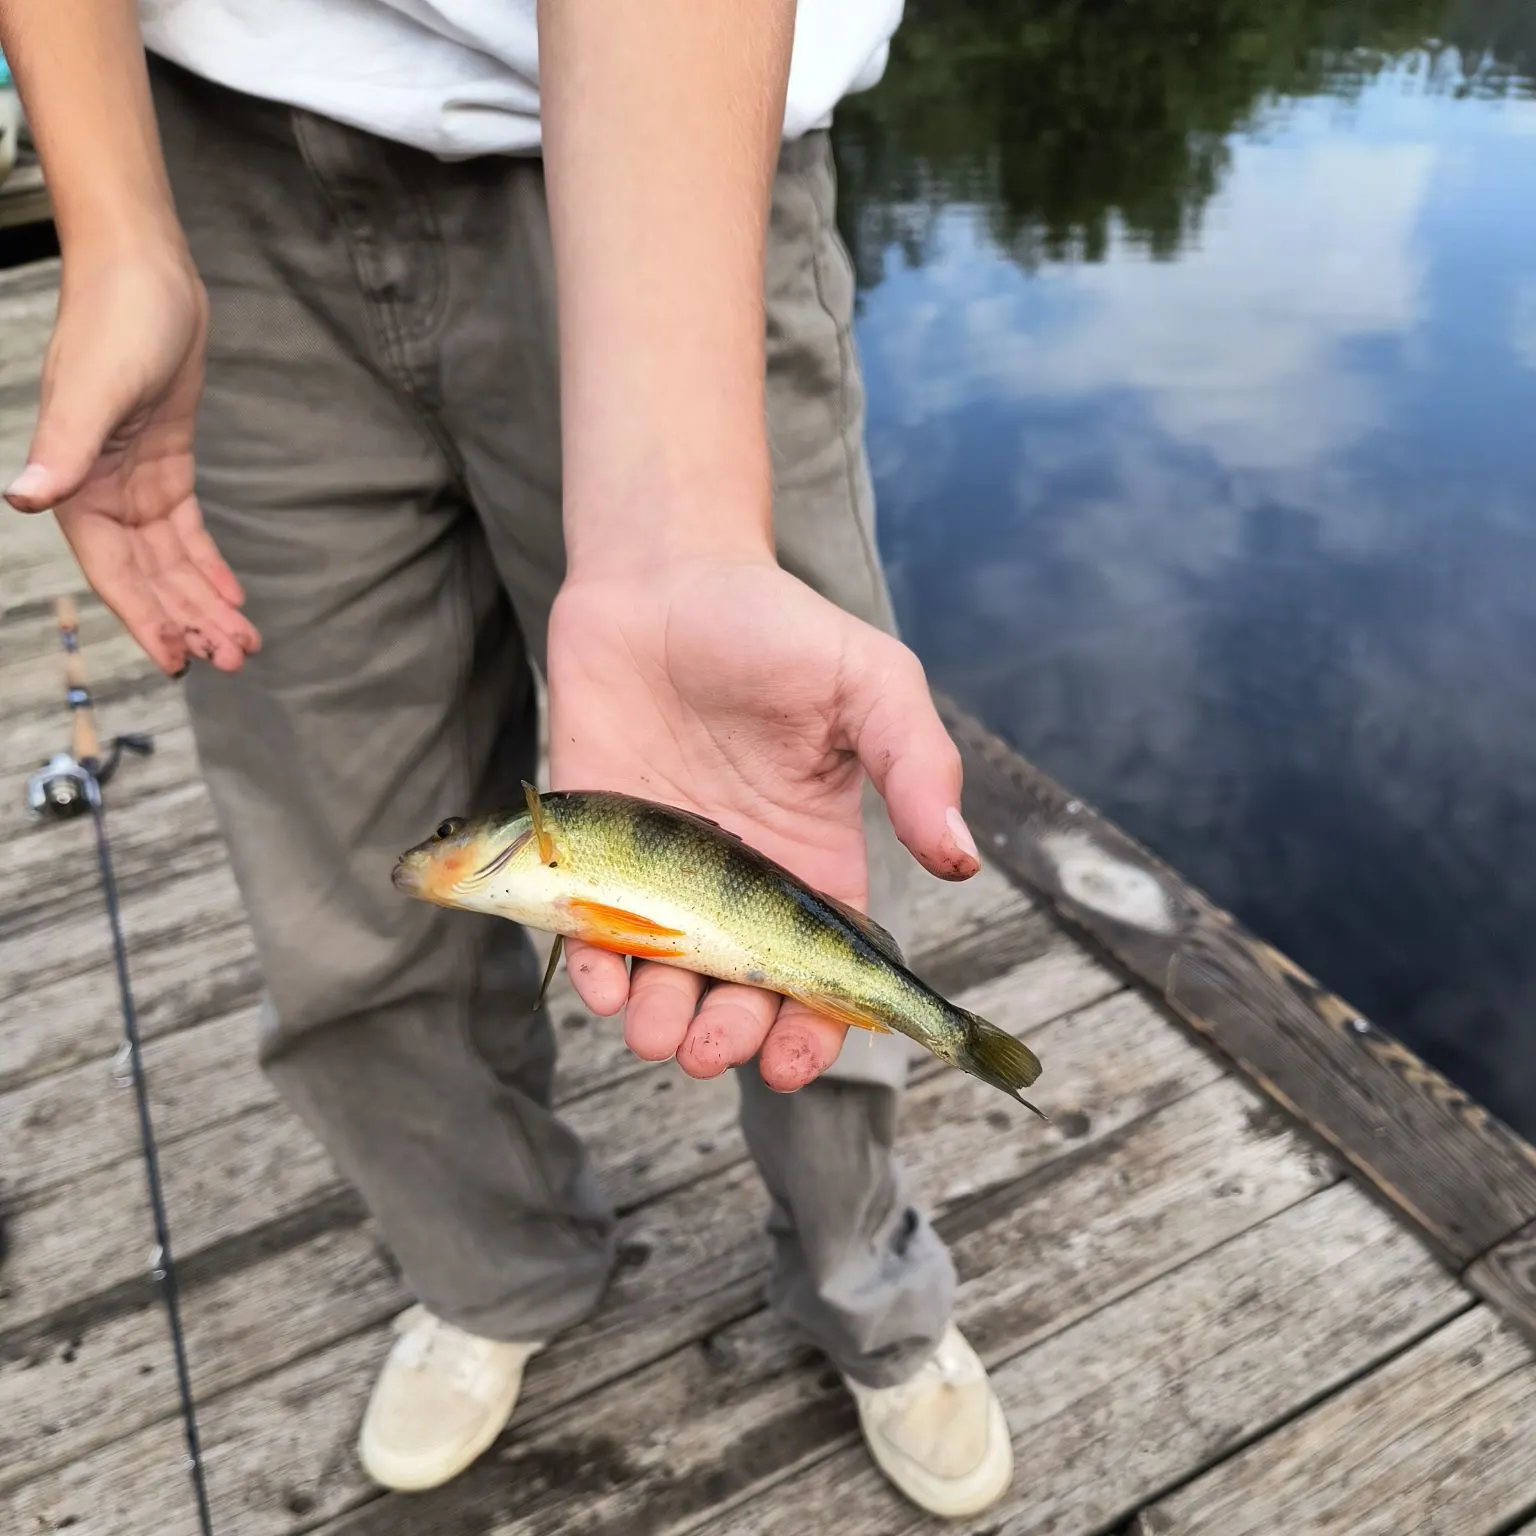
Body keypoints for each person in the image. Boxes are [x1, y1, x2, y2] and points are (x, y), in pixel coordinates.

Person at [0, 0, 1014, 1518]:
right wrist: (116, 217)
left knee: (792, 858)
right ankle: (497, 1269)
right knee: (345, 877)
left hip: (675, 160)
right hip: (209, 160)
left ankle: (875, 1291)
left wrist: (676, 532)